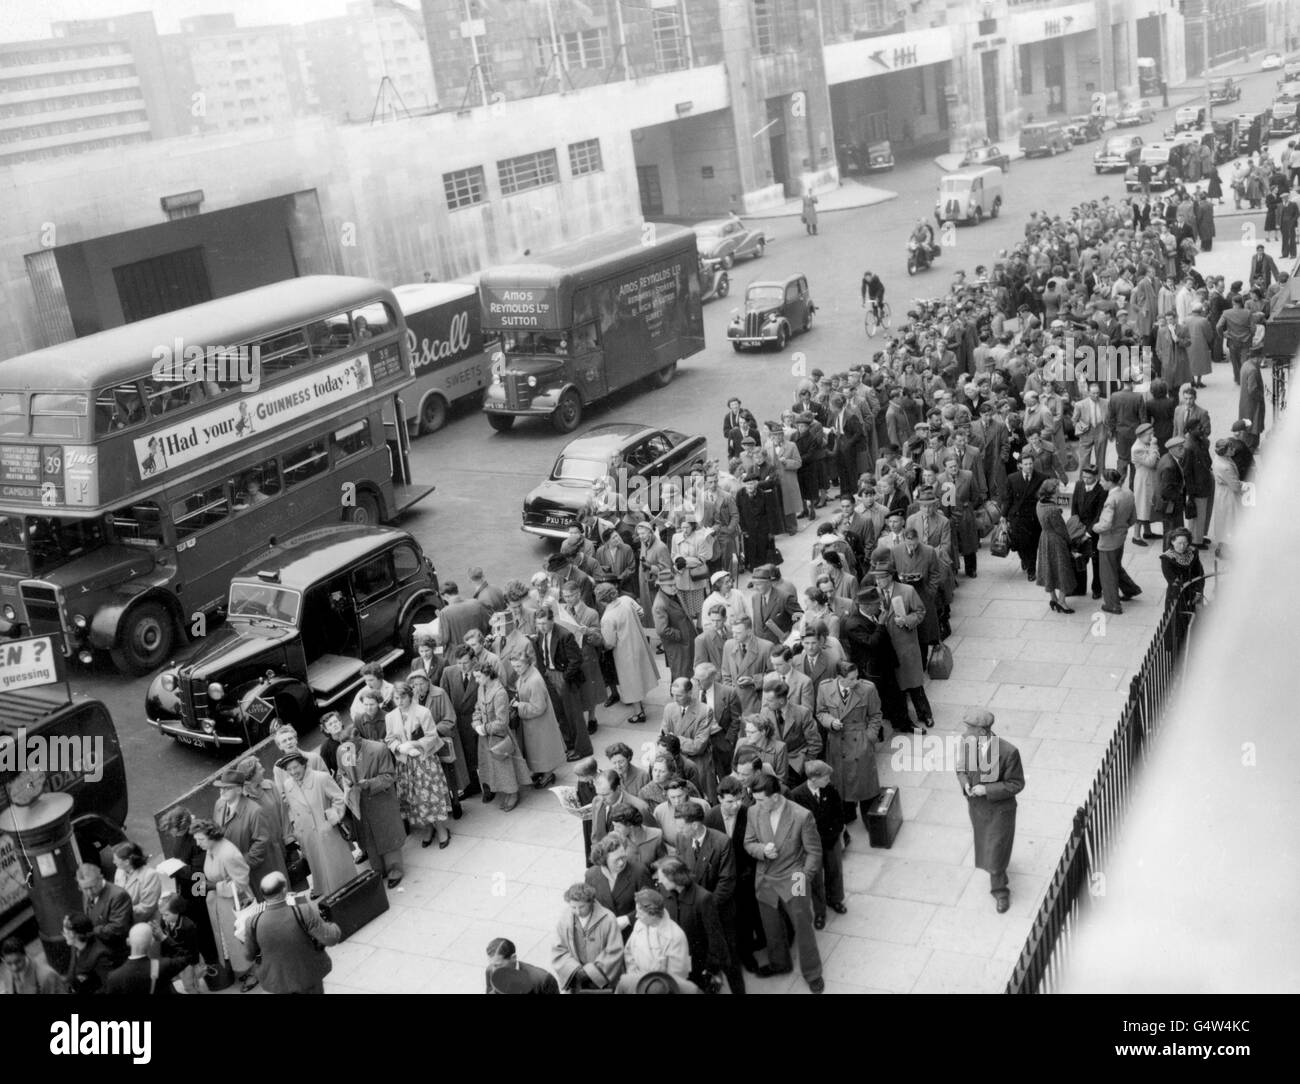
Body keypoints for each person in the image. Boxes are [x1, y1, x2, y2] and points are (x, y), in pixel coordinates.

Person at [744, 773, 824, 992]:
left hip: (794, 878)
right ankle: (780, 964)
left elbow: (814, 853)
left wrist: (803, 879)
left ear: (776, 797)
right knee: (772, 928)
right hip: (766, 880)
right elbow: (748, 842)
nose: (756, 804)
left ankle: (813, 972)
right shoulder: (754, 811)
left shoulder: (801, 816)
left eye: (761, 800)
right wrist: (761, 851)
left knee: (803, 929)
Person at [956, 709, 1025, 913]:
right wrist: (965, 783)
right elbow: (961, 768)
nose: (965, 732)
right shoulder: (968, 744)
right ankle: (999, 871)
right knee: (988, 847)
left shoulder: (1008, 752)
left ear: (983, 731)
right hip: (978, 809)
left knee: (995, 854)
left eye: (970, 728)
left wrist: (986, 789)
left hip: (999, 812)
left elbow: (1016, 784)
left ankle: (1000, 891)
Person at [813, 659, 884, 843]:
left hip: (860, 741)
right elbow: (820, 712)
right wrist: (830, 722)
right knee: (841, 784)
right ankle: (848, 814)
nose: (856, 682)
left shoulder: (867, 689)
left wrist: (869, 737)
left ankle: (870, 821)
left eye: (857, 677)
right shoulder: (825, 688)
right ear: (839, 678)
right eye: (851, 679)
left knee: (865, 783)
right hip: (837, 743)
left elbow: (876, 715)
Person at [245, 872, 342, 995]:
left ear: (264, 895)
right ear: (284, 890)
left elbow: (248, 955)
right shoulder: (302, 910)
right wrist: (333, 926)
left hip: (278, 984)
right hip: (308, 977)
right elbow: (330, 938)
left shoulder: (252, 922)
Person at [191, 818, 258, 991]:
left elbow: (242, 882)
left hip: (233, 905)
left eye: (201, 840)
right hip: (220, 904)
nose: (198, 844)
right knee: (230, 940)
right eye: (196, 840)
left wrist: (214, 886)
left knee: (240, 939)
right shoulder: (212, 848)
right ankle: (244, 968)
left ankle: (252, 972)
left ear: (211, 836)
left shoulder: (228, 852)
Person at [337, 723, 406, 889]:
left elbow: (390, 776)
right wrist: (344, 781)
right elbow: (342, 773)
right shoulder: (344, 751)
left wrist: (369, 783)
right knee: (370, 837)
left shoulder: (379, 749)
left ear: (359, 738)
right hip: (360, 802)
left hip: (380, 800)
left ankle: (395, 869)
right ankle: (378, 869)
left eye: (351, 745)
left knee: (387, 835)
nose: (347, 750)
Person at [277, 752, 356, 898]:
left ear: (303, 764)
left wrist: (331, 818)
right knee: (321, 871)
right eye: (289, 770)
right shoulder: (288, 785)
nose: (293, 772)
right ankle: (331, 898)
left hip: (327, 832)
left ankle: (349, 896)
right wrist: (298, 831)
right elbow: (292, 809)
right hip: (308, 836)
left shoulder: (321, 778)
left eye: (296, 767)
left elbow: (339, 798)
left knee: (337, 871)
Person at [788, 760, 847, 930]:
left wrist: (835, 833)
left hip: (831, 840)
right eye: (826, 777)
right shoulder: (797, 795)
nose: (828, 780)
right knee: (815, 881)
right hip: (812, 846)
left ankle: (835, 899)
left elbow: (839, 813)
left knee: (835, 871)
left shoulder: (830, 789)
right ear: (814, 778)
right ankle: (820, 912)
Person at [656, 857, 729, 993]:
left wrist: (710, 969)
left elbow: (715, 939)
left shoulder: (703, 899)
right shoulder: (664, 891)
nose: (659, 881)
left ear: (674, 878)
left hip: (699, 967)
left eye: (662, 878)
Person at [213, 766, 286, 902]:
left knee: (265, 903)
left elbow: (261, 843)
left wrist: (239, 864)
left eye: (227, 788)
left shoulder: (255, 811)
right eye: (220, 787)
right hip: (236, 871)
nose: (222, 791)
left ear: (239, 790)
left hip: (256, 871)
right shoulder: (219, 805)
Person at [472, 658, 532, 812]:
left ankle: (513, 793)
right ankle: (505, 790)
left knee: (504, 767)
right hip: (485, 737)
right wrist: (476, 721)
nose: (476, 680)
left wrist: (483, 728)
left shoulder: (499, 693)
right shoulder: (482, 688)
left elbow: (502, 722)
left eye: (478, 676)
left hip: (498, 737)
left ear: (487, 675)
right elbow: (478, 707)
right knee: (494, 767)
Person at [597, 581, 659, 725]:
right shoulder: (626, 600)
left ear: (601, 600)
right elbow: (641, 612)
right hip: (639, 642)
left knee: (630, 682)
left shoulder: (607, 617)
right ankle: (640, 704)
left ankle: (638, 713)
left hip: (624, 652)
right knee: (640, 675)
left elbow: (610, 643)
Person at [617, 888, 696, 993]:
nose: (636, 916)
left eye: (640, 913)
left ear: (653, 914)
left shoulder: (676, 936)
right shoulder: (639, 924)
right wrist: (635, 978)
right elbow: (629, 953)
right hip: (637, 985)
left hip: (662, 988)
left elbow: (678, 976)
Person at [584, 834, 653, 938]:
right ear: (603, 860)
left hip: (634, 934)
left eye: (623, 857)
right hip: (605, 935)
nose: (621, 863)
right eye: (616, 860)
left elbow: (652, 903)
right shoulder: (591, 875)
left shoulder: (639, 872)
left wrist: (628, 919)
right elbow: (588, 903)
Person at [1001, 452, 1049, 579]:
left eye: (1031, 463)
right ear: (1020, 465)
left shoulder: (1042, 478)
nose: (1029, 466)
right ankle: (1025, 559)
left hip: (1034, 517)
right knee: (1019, 544)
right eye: (1026, 464)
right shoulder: (1012, 478)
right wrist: (1003, 515)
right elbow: (1008, 499)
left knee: (1032, 544)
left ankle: (1031, 571)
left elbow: (1046, 497)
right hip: (1017, 517)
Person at [104, 922, 186, 995]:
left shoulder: (113, 977)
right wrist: (163, 937)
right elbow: (187, 956)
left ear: (128, 941)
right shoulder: (163, 966)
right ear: (151, 942)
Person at [76, 861, 132, 965]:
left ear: (100, 878)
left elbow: (117, 928)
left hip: (116, 954)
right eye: (84, 889)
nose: (89, 893)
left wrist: (89, 931)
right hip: (99, 951)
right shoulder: (88, 893)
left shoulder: (118, 896)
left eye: (92, 887)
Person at [1035, 479, 1076, 615]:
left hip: (1044, 538)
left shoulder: (1040, 504)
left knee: (1049, 569)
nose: (1059, 491)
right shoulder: (1053, 510)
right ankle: (1062, 602)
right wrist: (1069, 542)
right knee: (1062, 569)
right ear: (1052, 492)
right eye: (1057, 489)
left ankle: (1053, 598)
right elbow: (1062, 530)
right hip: (1056, 541)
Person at [652, 568, 697, 684]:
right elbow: (662, 630)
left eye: (674, 584)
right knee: (680, 672)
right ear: (661, 586)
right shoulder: (660, 604)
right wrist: (679, 635)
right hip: (677, 645)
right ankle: (679, 696)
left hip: (686, 640)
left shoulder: (672, 594)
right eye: (670, 585)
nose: (674, 588)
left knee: (685, 670)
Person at [112, 841, 163, 924]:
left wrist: (121, 911)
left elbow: (147, 908)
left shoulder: (149, 875)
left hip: (144, 922)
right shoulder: (120, 871)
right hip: (123, 919)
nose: (113, 862)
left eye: (116, 860)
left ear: (127, 862)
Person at [61, 913, 111, 994]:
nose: (64, 935)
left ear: (74, 935)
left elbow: (107, 987)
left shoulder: (100, 956)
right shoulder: (75, 946)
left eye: (65, 932)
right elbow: (73, 970)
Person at [1209, 438, 1243, 549]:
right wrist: (1245, 486)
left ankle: (1224, 544)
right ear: (1224, 451)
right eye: (1231, 448)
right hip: (1228, 495)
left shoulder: (1219, 458)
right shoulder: (1226, 467)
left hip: (1222, 493)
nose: (1234, 449)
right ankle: (1228, 546)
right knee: (1230, 519)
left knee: (1223, 519)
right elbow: (1235, 486)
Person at [1, 936, 65, 994]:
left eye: (17, 961)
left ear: (25, 955)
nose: (14, 968)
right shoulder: (7, 973)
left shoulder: (47, 976)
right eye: (9, 963)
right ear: (3, 960)